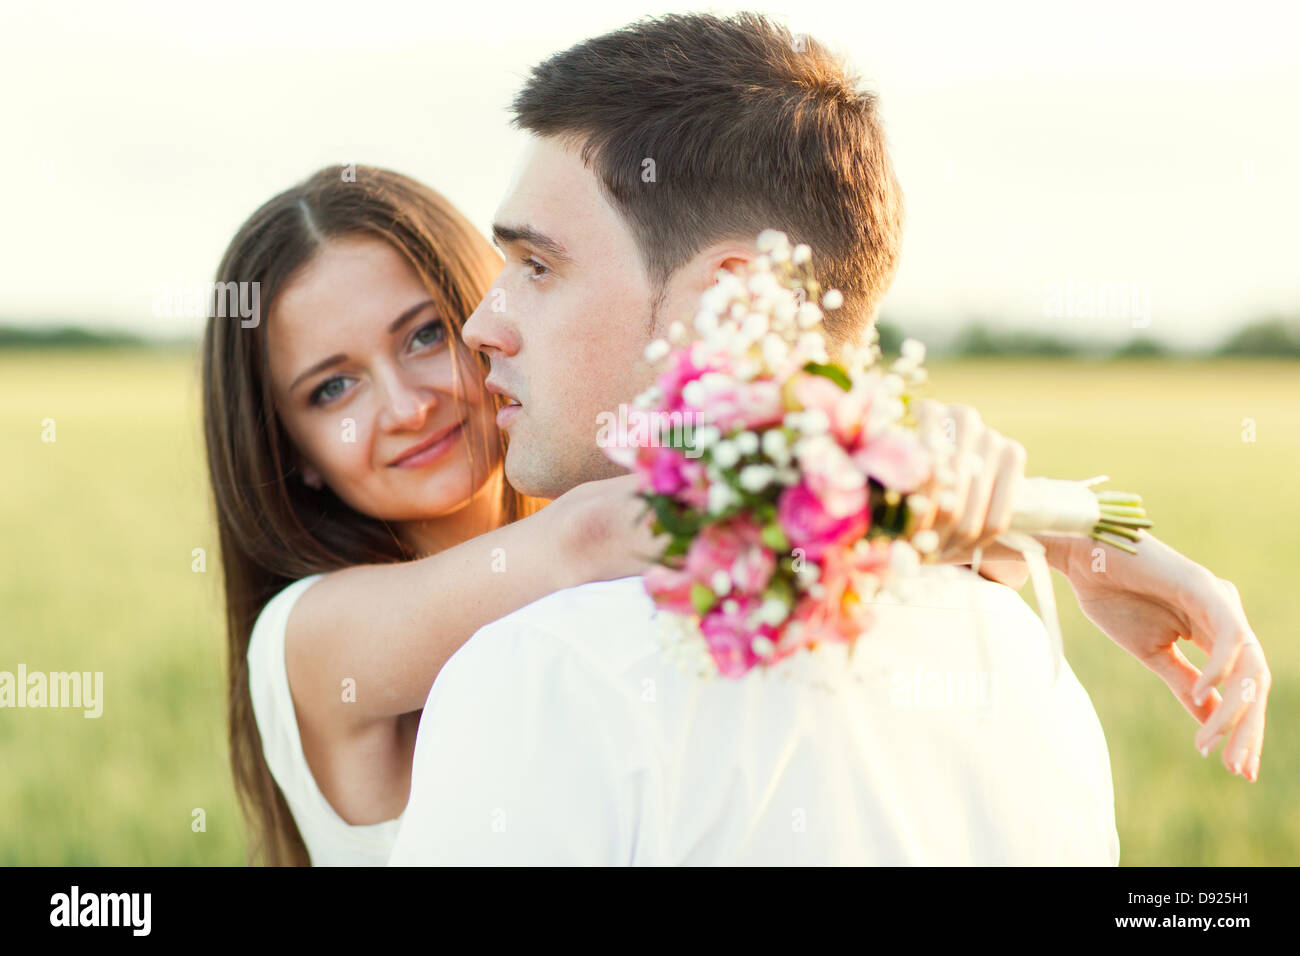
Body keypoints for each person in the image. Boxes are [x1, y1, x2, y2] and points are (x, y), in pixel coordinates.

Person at [387, 12, 1270, 864]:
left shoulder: (539, 677)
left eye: (538, 267)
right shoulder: (1022, 664)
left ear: (740, 299)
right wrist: (1063, 528)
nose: (480, 325)